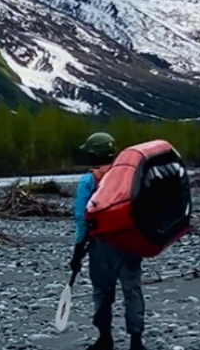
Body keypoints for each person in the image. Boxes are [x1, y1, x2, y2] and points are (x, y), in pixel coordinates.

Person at [71, 131, 145, 350]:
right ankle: (136, 342)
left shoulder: (88, 181)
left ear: (93, 155)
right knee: (132, 290)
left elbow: (82, 218)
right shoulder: (128, 175)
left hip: (101, 245)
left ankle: (105, 339)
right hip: (129, 241)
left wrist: (78, 250)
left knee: (102, 292)